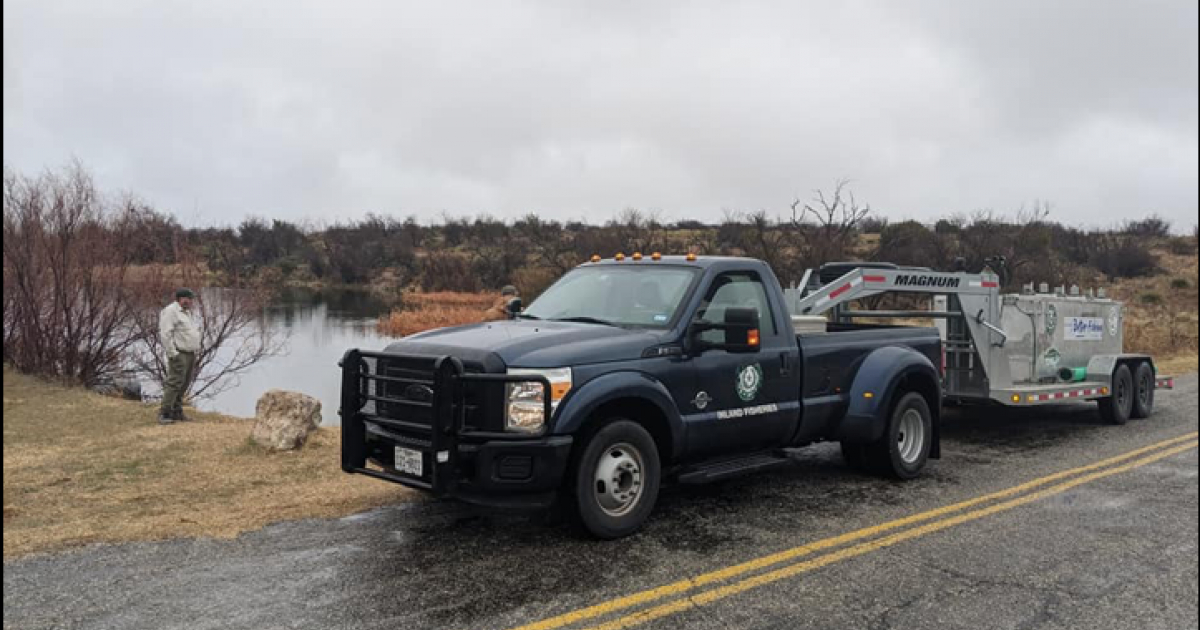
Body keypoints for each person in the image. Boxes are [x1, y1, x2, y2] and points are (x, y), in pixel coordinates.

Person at [158, 288, 201, 425]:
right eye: (187, 298)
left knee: (184, 383)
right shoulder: (171, 311)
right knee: (174, 382)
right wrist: (173, 353)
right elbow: (166, 334)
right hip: (179, 353)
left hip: (190, 353)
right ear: (180, 299)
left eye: (191, 299)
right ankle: (164, 412)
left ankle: (177, 411)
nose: (189, 301)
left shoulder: (186, 312)